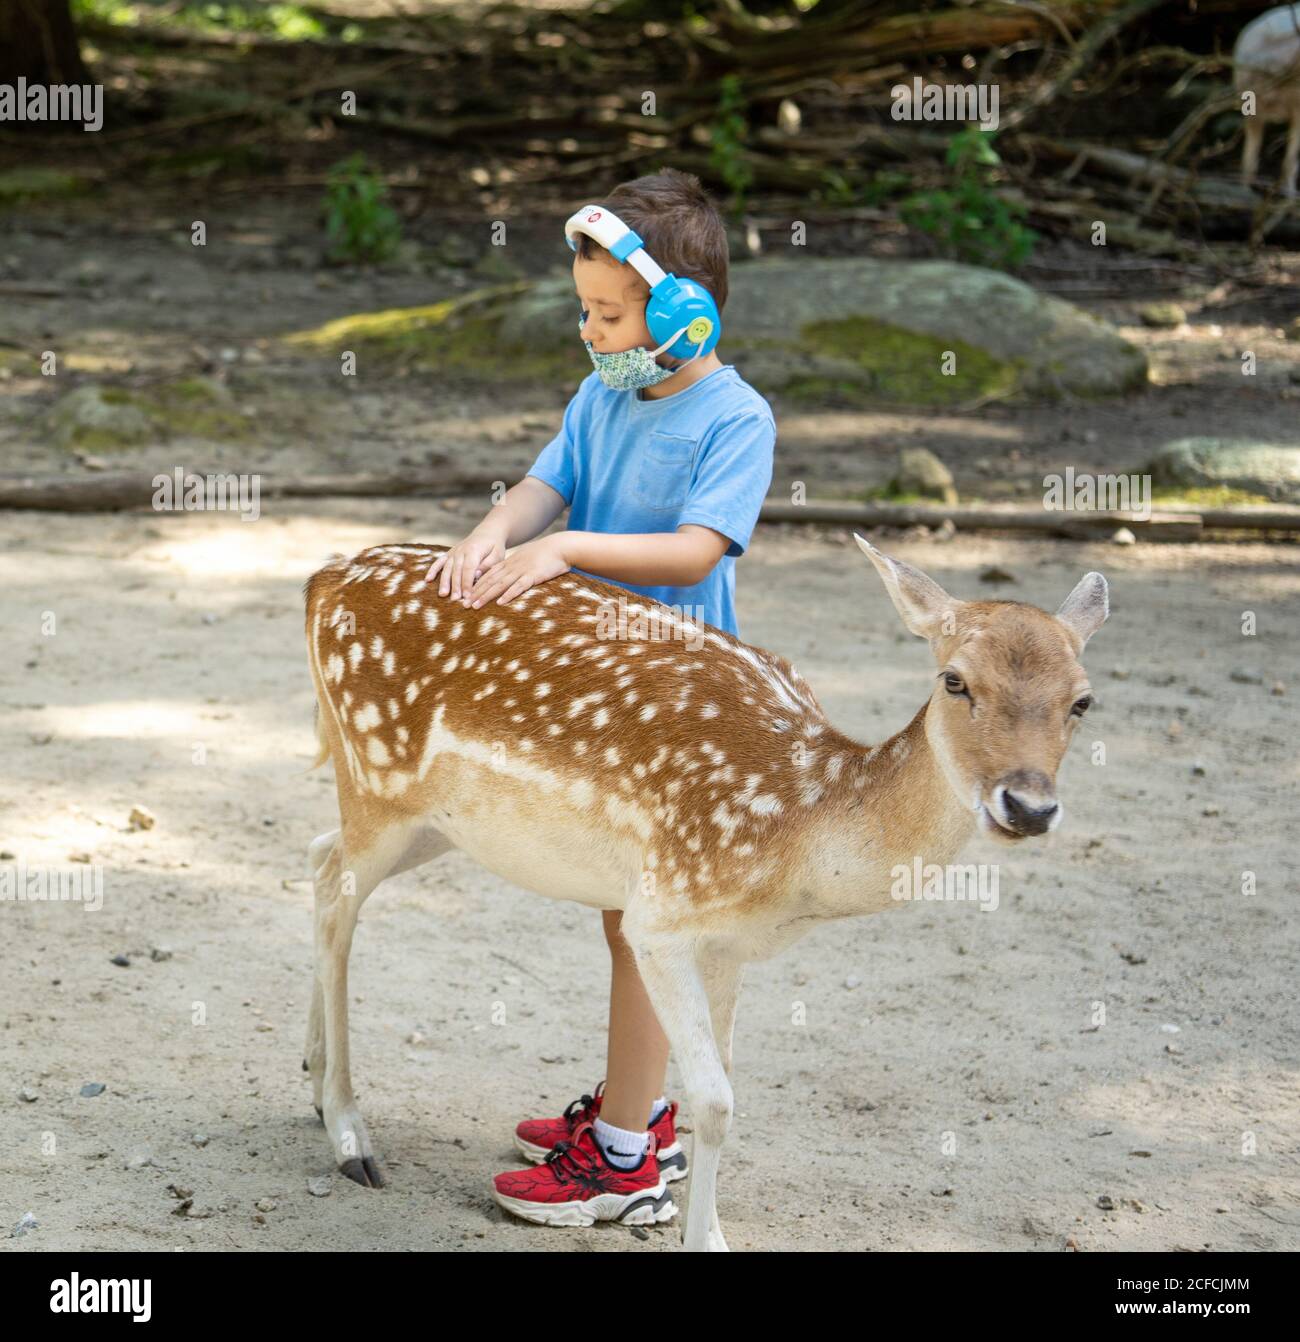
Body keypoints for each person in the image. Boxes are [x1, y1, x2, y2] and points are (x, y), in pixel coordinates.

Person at [426, 167, 776, 1227]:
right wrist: (498, 528)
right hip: (600, 690)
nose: (589, 330)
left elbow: (692, 550)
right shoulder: (602, 393)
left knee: (646, 922)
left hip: (678, 703)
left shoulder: (736, 418)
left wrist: (565, 549)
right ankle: (638, 1109)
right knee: (620, 917)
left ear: (683, 314)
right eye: (584, 308)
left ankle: (623, 1156)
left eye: (608, 315)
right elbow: (549, 481)